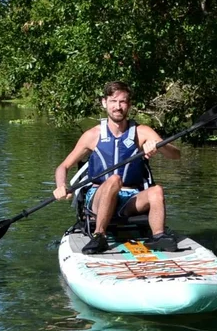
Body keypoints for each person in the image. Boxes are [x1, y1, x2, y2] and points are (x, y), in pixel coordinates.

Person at [53, 81, 181, 254]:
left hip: (130, 199)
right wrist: (61, 185)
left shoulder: (142, 132)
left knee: (156, 191)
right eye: (113, 101)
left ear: (129, 105)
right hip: (99, 197)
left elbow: (176, 155)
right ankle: (99, 236)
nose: (118, 107)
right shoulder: (93, 135)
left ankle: (159, 237)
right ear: (104, 103)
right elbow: (63, 166)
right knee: (114, 180)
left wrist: (159, 146)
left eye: (122, 102)